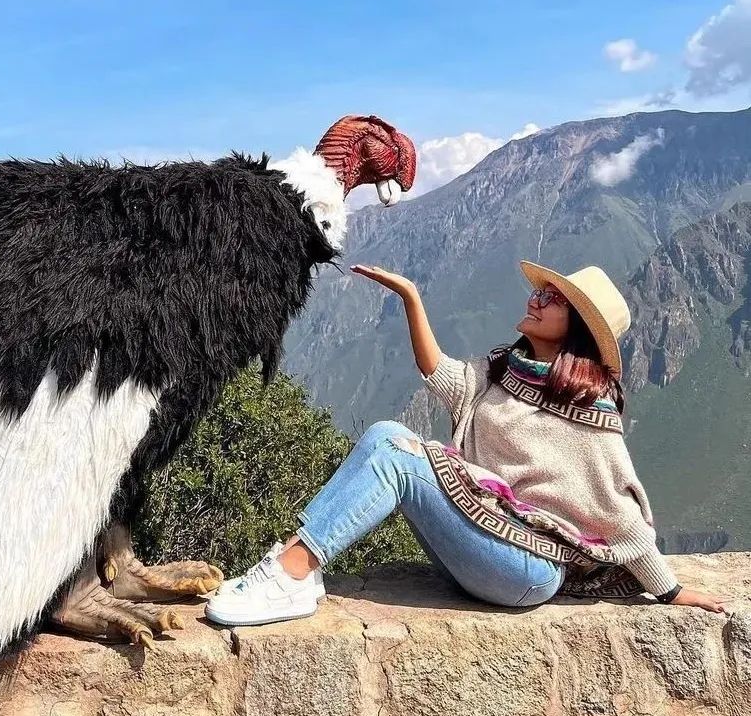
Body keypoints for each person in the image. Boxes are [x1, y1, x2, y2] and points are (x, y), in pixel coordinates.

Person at [205, 260, 727, 626]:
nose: (536, 298)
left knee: (393, 450)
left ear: (578, 328)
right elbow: (442, 374)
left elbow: (619, 513)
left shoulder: (587, 405)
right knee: (391, 437)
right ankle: (296, 566)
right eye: (540, 291)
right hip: (486, 544)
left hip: (529, 568)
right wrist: (411, 298)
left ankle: (294, 573)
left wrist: (671, 590)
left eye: (552, 298)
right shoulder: (503, 372)